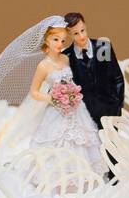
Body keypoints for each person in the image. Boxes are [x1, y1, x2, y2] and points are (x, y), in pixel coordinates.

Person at [27, 15, 108, 176]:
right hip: (56, 110)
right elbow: (34, 92)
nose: (60, 44)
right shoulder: (43, 66)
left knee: (83, 140)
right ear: (47, 40)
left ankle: (85, 175)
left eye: (63, 40)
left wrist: (75, 92)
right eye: (56, 39)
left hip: (76, 107)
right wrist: (52, 98)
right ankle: (58, 177)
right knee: (57, 141)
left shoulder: (66, 59)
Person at [62, 11, 125, 134]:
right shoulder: (67, 56)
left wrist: (117, 104)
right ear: (68, 34)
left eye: (83, 30)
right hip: (85, 114)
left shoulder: (103, 47)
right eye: (75, 33)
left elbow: (116, 77)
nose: (81, 36)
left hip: (109, 109)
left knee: (112, 146)